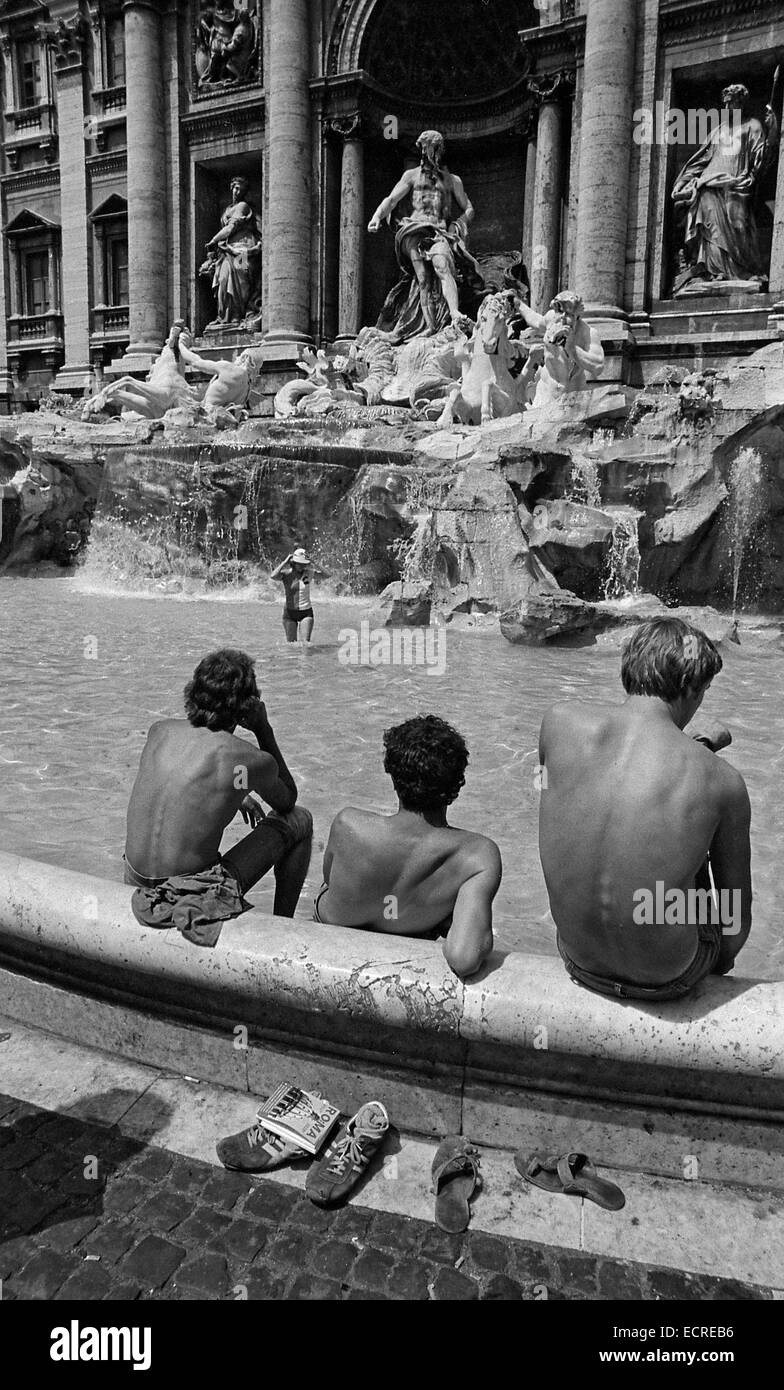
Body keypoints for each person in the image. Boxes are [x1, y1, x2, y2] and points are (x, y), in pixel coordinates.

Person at [538, 617, 752, 1002]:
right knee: (693, 827)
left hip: (578, 958)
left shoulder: (558, 724)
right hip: (669, 975)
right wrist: (712, 965)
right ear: (689, 687)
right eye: (702, 691)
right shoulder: (724, 782)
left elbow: (620, 781)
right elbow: (735, 924)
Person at [124, 649, 312, 943]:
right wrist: (263, 728)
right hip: (189, 893)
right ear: (246, 706)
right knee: (300, 820)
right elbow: (287, 799)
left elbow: (183, 783)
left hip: (134, 882)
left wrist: (236, 795)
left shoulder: (158, 731)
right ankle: (282, 931)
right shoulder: (248, 759)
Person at [314, 715, 501, 980]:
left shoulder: (349, 824)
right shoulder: (476, 856)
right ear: (457, 784)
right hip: (413, 930)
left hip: (334, 922)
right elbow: (464, 958)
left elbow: (329, 880)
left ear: (393, 775)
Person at [368, 129, 485, 342]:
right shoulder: (411, 175)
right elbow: (392, 200)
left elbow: (469, 208)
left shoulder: (452, 180)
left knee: (442, 266)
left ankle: (454, 314)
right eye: (423, 148)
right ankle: (431, 326)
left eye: (430, 149)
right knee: (422, 279)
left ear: (439, 151)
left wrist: (458, 225)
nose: (425, 153)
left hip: (439, 232)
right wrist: (377, 216)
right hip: (414, 229)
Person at [672, 83, 779, 291]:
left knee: (738, 224)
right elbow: (700, 161)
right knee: (709, 226)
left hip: (737, 184)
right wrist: (683, 182)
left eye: (733, 103)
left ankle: (742, 271)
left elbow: (762, 159)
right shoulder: (717, 131)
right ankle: (713, 271)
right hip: (709, 183)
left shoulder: (753, 126)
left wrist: (773, 132)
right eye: (726, 104)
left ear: (742, 103)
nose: (729, 108)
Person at [199, 175, 262, 327]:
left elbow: (231, 227)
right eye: (234, 187)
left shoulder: (243, 207)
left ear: (244, 191)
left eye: (239, 188)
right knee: (223, 279)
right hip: (227, 251)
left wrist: (213, 240)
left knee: (242, 278)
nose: (235, 191)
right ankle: (225, 316)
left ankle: (238, 315)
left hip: (244, 249)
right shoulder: (227, 209)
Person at [176, 334, 258, 416]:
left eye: (239, 356)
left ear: (244, 358)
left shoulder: (229, 368)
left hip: (207, 416)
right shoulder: (247, 388)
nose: (237, 357)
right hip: (226, 422)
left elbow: (195, 362)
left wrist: (182, 345)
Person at [271, 547, 314, 643]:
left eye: (304, 564)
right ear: (294, 563)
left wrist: (314, 562)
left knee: (306, 644)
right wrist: (285, 562)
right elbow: (273, 576)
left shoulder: (309, 573)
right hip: (289, 613)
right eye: (299, 564)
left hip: (306, 612)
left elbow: (328, 575)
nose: (302, 566)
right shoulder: (286, 574)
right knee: (291, 645)